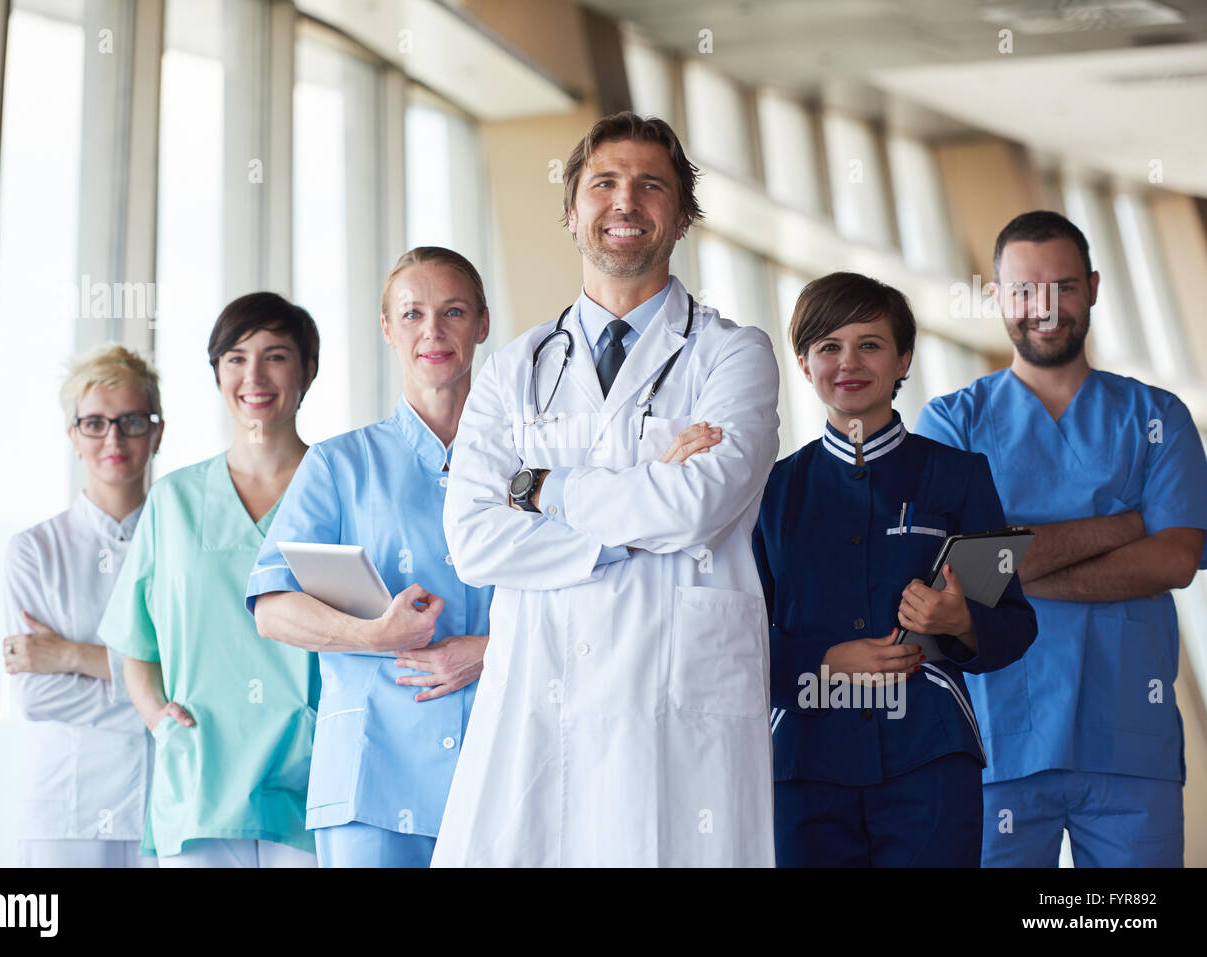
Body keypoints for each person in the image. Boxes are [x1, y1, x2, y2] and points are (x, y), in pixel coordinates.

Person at [429, 111, 781, 867]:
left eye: (651, 185)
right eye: (604, 184)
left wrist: (540, 488)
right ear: (571, 210)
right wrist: (647, 495)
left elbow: (697, 505)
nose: (626, 202)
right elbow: (473, 540)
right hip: (538, 696)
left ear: (682, 215)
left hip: (677, 705)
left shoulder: (734, 356)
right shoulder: (513, 369)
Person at [915, 210, 1207, 867]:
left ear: (1096, 287)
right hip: (996, 748)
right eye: (1023, 291)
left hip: (1130, 746)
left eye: (1064, 287)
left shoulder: (1158, 418)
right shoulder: (953, 424)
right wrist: (1125, 524)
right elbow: (956, 574)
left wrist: (1011, 563)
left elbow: (1177, 557)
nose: (1044, 308)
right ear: (996, 298)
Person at [751, 272, 1037, 867]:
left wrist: (961, 621)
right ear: (804, 364)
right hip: (804, 764)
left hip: (929, 759)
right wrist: (823, 663)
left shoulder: (961, 476)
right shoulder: (769, 491)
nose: (848, 361)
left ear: (903, 357)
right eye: (828, 346)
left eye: (870, 344)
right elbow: (733, 637)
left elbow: (1014, 625)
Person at [247, 247, 494, 868]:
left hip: (497, 773)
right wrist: (375, 634)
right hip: (369, 778)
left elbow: (579, 600)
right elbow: (273, 609)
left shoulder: (523, 467)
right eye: (412, 314)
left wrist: (489, 651)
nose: (432, 331)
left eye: (453, 311)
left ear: (482, 325)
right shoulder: (338, 465)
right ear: (388, 329)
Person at [99, 293, 322, 867]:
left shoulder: (338, 487)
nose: (254, 376)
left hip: (311, 784)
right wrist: (156, 717)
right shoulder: (174, 500)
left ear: (307, 370)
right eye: (235, 358)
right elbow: (136, 642)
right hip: (199, 784)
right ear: (217, 373)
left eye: (275, 356)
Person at [2, 344, 163, 867]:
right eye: (94, 423)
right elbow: (35, 697)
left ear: (156, 432)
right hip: (67, 812)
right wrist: (152, 697)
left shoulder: (180, 545)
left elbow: (197, 676)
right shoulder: (33, 550)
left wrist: (72, 657)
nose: (113, 438)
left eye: (131, 421)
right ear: (73, 436)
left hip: (164, 808)